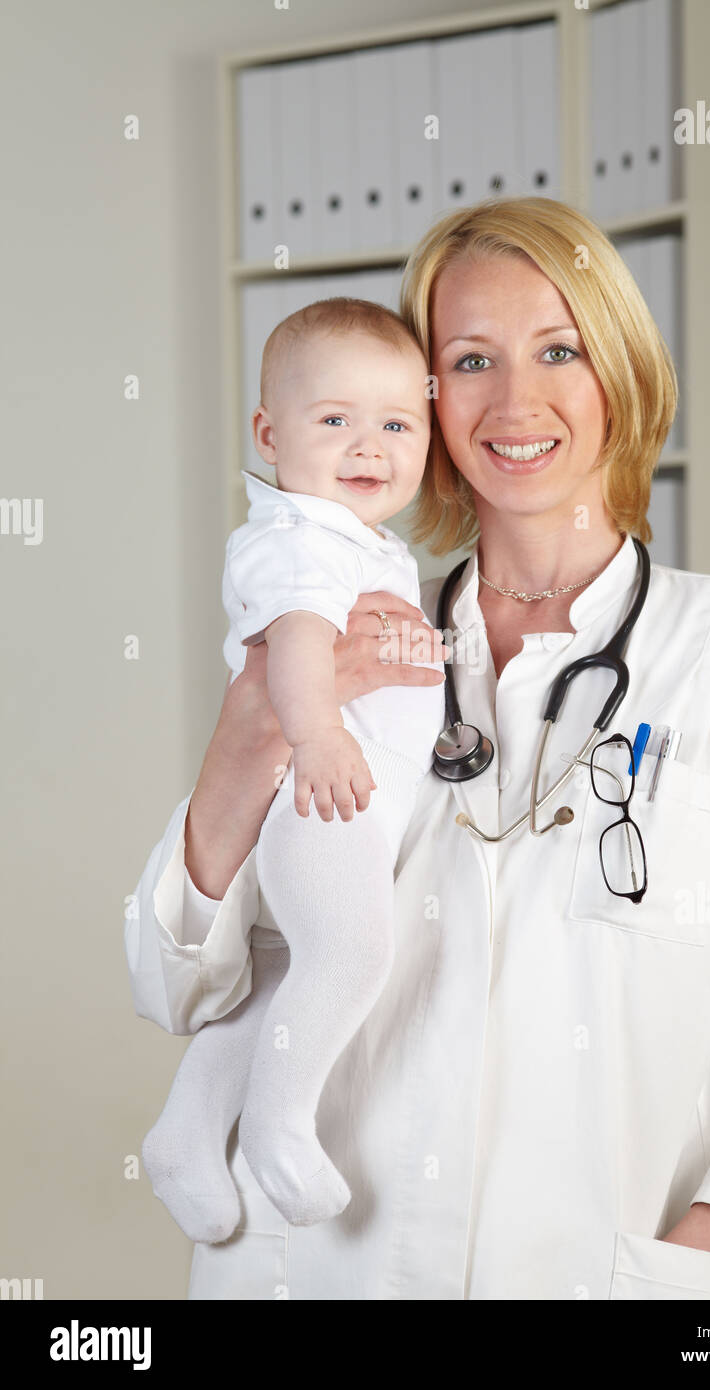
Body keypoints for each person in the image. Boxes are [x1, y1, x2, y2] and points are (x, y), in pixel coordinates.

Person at [126, 197, 710, 1301]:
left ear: (617, 369)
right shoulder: (341, 643)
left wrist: (703, 1256)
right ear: (421, 402)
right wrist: (250, 732)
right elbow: (176, 982)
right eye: (469, 359)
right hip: (314, 1267)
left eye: (557, 349)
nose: (515, 401)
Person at [141, 297, 446, 1240]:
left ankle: (186, 1137)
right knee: (351, 955)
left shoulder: (362, 541)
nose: (369, 445)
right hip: (329, 799)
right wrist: (319, 740)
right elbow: (300, 646)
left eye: (397, 424)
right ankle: (278, 1128)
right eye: (334, 420)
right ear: (271, 434)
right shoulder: (301, 539)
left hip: (348, 797)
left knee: (282, 974)